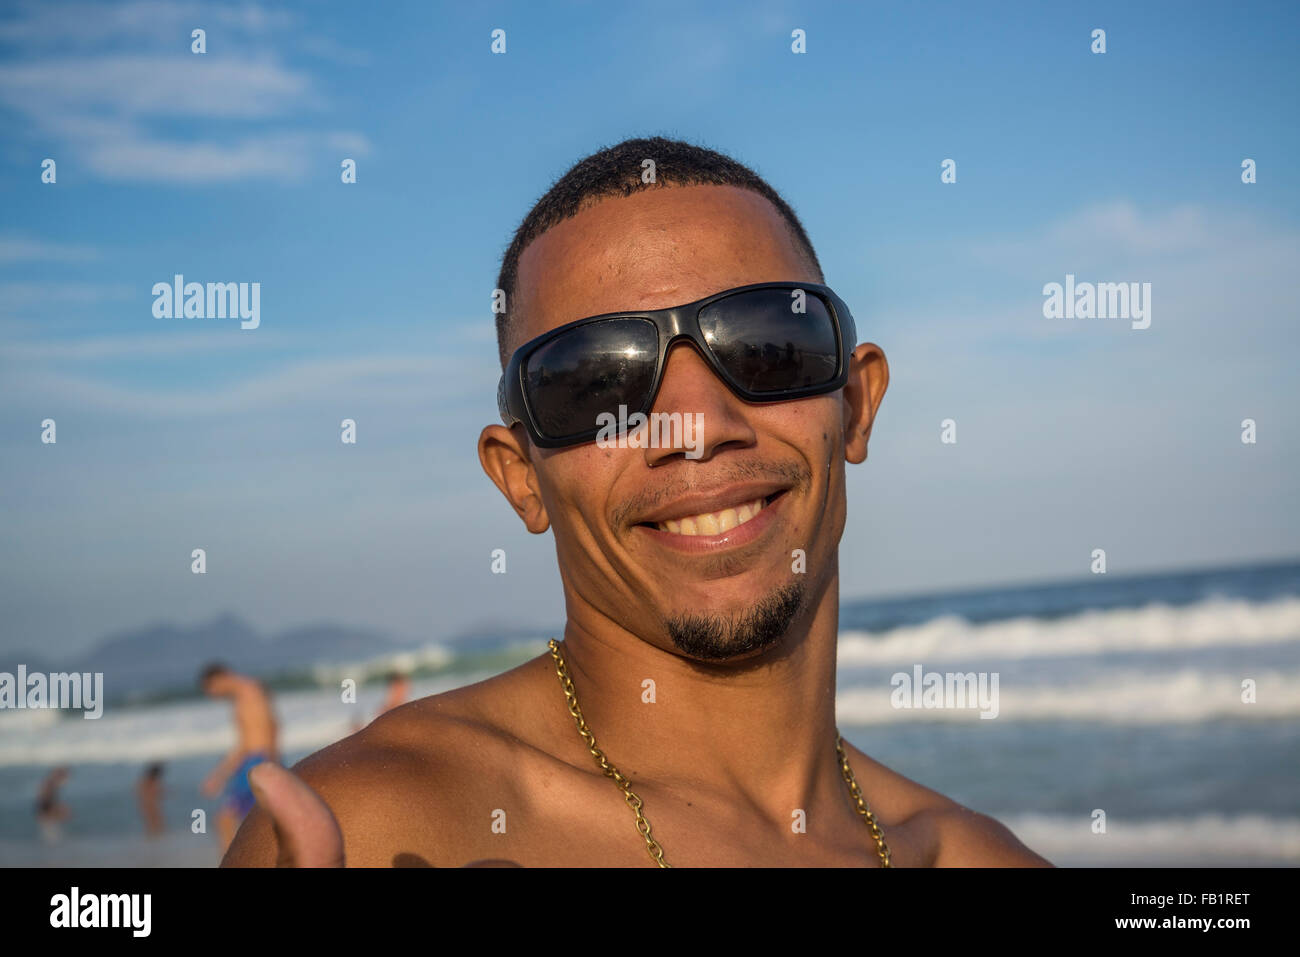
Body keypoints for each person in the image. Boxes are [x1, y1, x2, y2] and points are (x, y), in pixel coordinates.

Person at [225, 136, 1051, 867]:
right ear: (520, 475)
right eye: (597, 382)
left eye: (768, 344)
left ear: (857, 403)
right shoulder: (385, 828)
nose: (697, 427)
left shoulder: (973, 855)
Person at [199, 662, 279, 855]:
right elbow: (264, 730)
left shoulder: (248, 694)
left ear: (218, 679)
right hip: (256, 761)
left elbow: (259, 734)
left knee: (225, 820)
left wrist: (218, 776)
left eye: (211, 690)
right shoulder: (249, 692)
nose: (213, 695)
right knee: (262, 823)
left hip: (255, 762)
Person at [35, 766, 71, 843]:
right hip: (48, 819)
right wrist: (60, 812)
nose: (66, 781)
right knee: (53, 843)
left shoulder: (49, 785)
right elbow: (44, 804)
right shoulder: (49, 785)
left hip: (47, 818)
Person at [137, 762, 165, 837]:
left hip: (145, 805)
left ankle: (154, 840)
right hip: (150, 805)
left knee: (152, 824)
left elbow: (138, 792)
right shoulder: (150, 781)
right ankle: (156, 840)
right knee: (156, 824)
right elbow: (157, 792)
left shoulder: (144, 781)